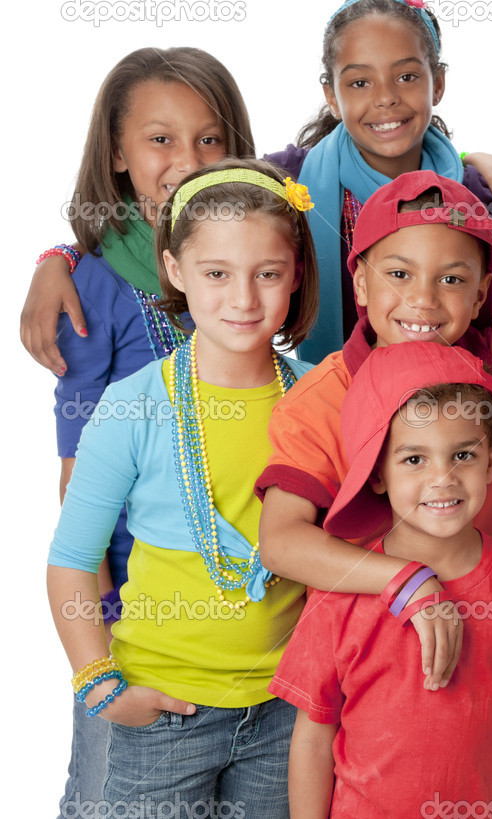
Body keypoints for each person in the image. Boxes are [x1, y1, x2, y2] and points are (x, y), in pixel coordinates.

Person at [256, 169, 492, 688]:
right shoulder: (323, 398)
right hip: (371, 666)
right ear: (361, 283)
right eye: (399, 274)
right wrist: (407, 582)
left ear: (482, 294)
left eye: (452, 279)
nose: (424, 299)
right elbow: (281, 542)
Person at [22, 0, 492, 371]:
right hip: (324, 403)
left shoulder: (480, 194)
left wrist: (469, 161)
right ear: (331, 95)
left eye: (407, 77)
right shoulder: (289, 180)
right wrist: (58, 260)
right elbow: (189, 216)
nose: (386, 99)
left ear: (438, 82)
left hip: (446, 418)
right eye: (359, 82)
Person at [47, 158, 319, 819]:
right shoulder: (132, 405)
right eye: (216, 273)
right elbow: (72, 560)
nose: (243, 298)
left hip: (288, 710)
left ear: (295, 273)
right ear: (174, 269)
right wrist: (99, 685)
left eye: (267, 273)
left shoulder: (320, 395)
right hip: (164, 710)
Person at [43, 47, 255, 819]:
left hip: (232, 616)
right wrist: (102, 648)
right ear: (117, 154)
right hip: (136, 613)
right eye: (160, 139)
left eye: (209, 138)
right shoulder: (95, 284)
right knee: (109, 789)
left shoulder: (240, 261)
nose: (187, 160)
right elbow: (76, 477)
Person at [271, 342, 492, 818]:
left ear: (490, 463)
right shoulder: (337, 597)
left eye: (463, 454)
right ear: (377, 474)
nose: (443, 478)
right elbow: (313, 740)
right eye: (414, 460)